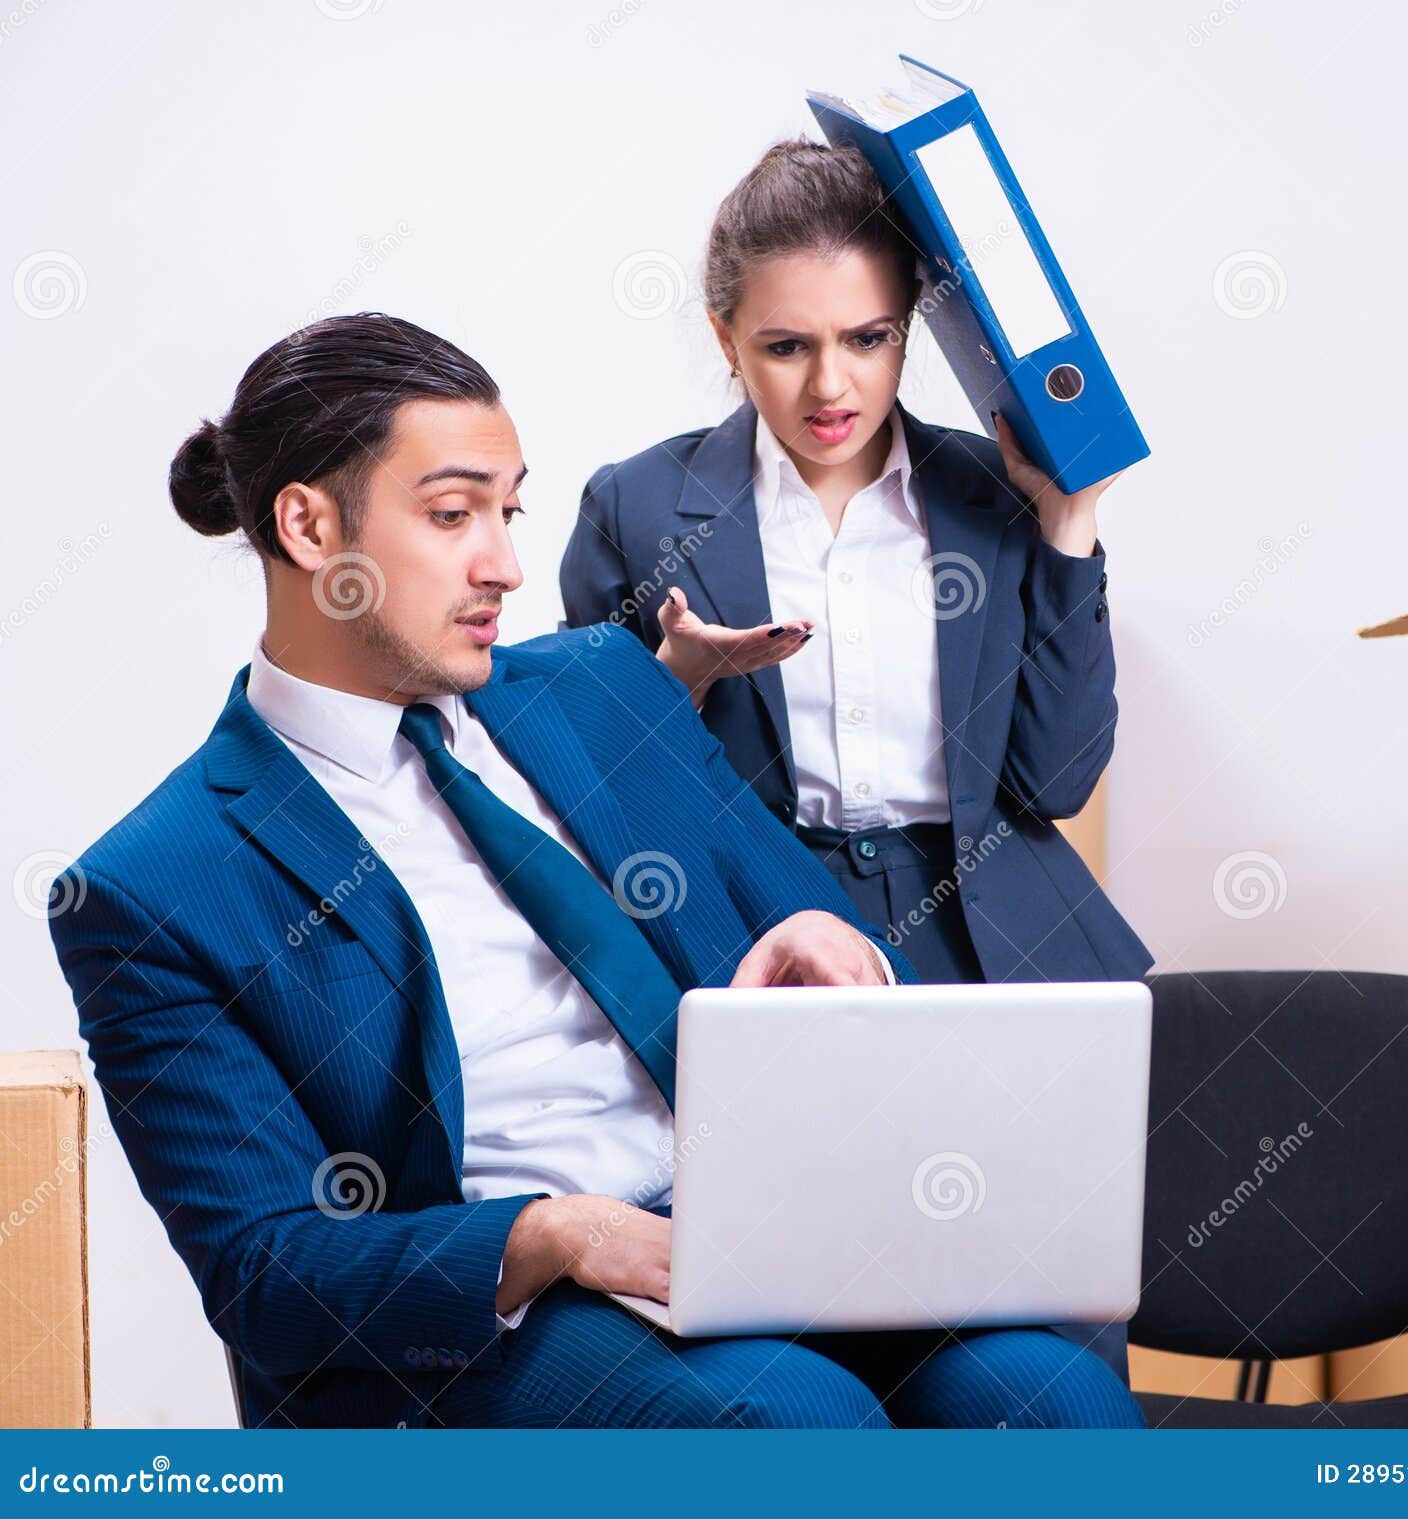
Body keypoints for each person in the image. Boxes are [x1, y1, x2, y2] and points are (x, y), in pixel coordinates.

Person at [47, 313, 1144, 1430]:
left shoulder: (601, 688)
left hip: (760, 1221)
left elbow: (811, 924)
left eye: (508, 511)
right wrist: (553, 1233)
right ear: (308, 526)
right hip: (515, 1311)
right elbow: (263, 1273)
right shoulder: (156, 884)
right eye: (451, 514)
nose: (507, 567)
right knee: (796, 1423)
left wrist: (826, 951)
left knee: (1051, 1400)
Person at [561, 141, 1154, 1380]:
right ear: (726, 338)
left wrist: (1069, 525)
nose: (832, 382)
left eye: (868, 338)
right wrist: (674, 687)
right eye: (786, 346)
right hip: (763, 931)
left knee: (1031, 1346)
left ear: (909, 333)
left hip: (978, 934)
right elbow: (588, 797)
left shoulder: (990, 495)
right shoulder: (634, 505)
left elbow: (1055, 776)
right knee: (792, 1322)